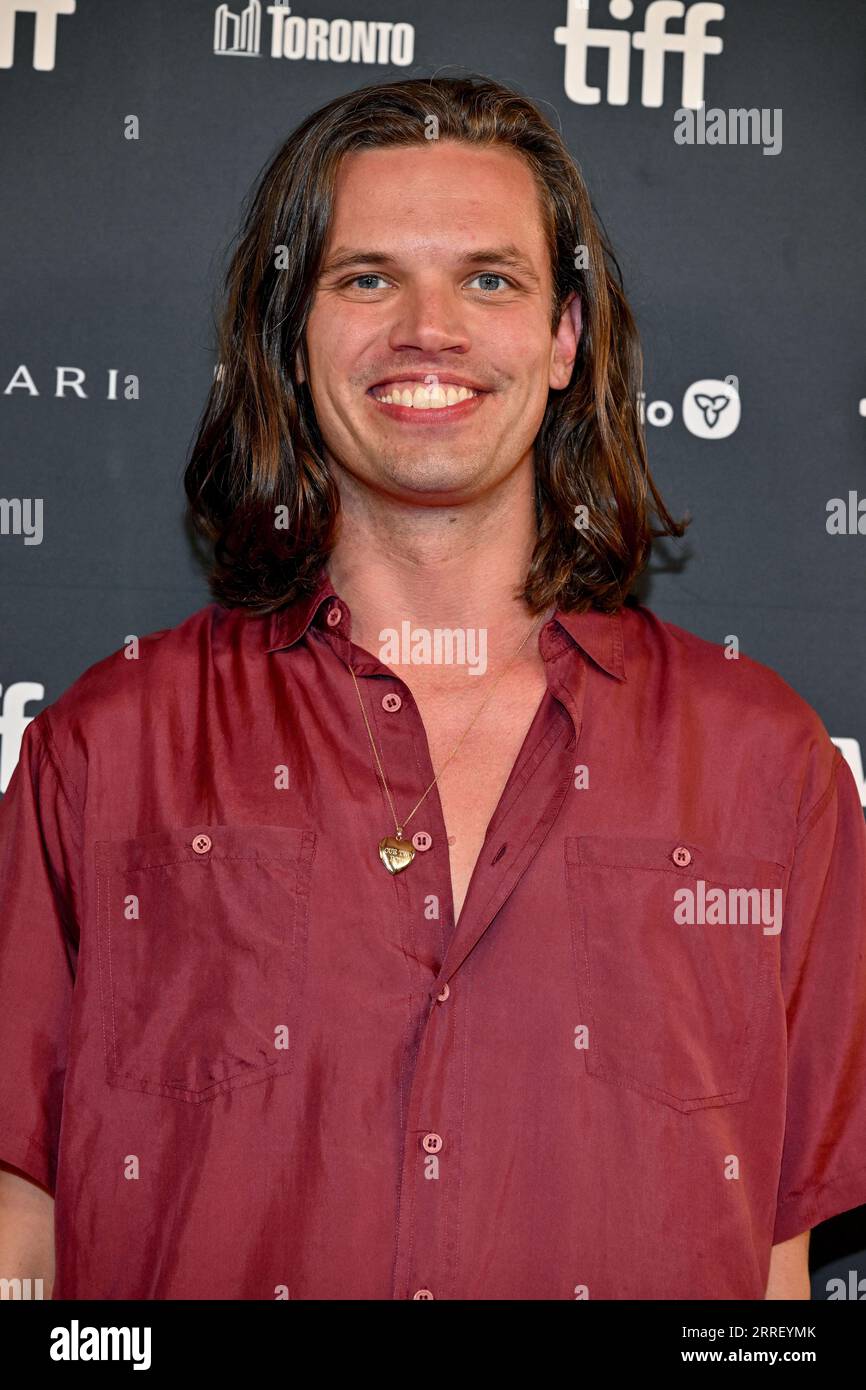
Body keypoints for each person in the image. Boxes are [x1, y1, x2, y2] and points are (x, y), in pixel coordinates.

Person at [2, 73, 865, 1302]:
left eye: (488, 279)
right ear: (290, 336)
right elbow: (16, 1236)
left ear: (564, 338)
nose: (427, 329)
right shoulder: (105, 751)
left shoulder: (765, 768)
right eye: (365, 279)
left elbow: (776, 1266)